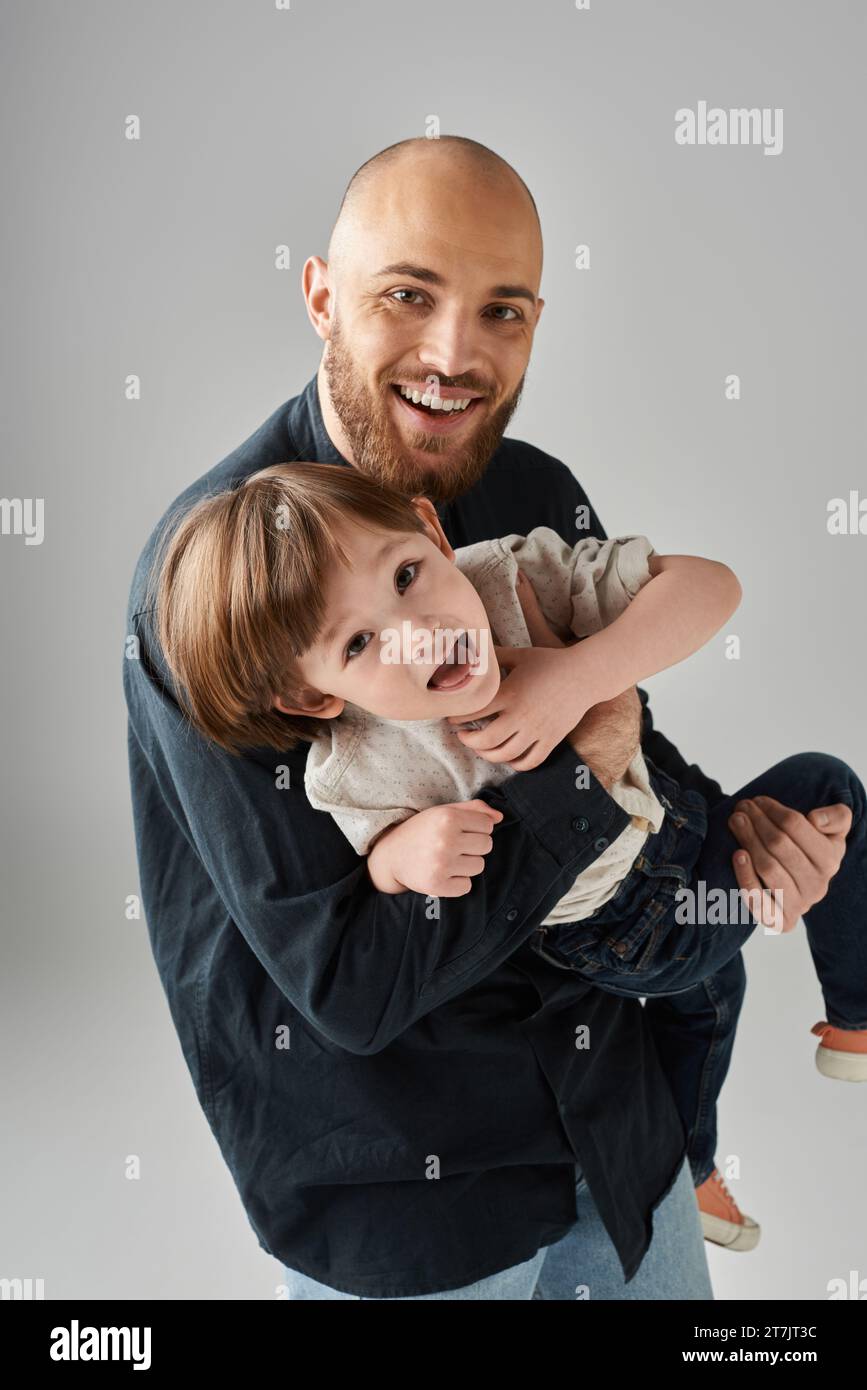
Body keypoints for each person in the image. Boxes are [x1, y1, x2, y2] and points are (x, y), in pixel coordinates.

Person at [123, 135, 853, 1298]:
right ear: (321, 296)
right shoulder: (214, 595)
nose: (456, 354)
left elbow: (629, 746)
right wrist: (568, 784)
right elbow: (351, 984)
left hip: (616, 1139)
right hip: (408, 1208)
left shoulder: (528, 490)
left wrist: (741, 843)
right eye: (408, 293)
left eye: (503, 310)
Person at [151, 459, 867, 1263]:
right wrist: (396, 856)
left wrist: (580, 674)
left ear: (431, 530)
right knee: (822, 791)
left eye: (409, 574)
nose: (417, 630)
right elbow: (370, 886)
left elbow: (711, 585)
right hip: (626, 926)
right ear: (314, 699)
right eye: (358, 642)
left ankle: (694, 1163)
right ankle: (855, 1023)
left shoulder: (510, 571)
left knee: (709, 990)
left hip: (668, 842)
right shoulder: (353, 768)